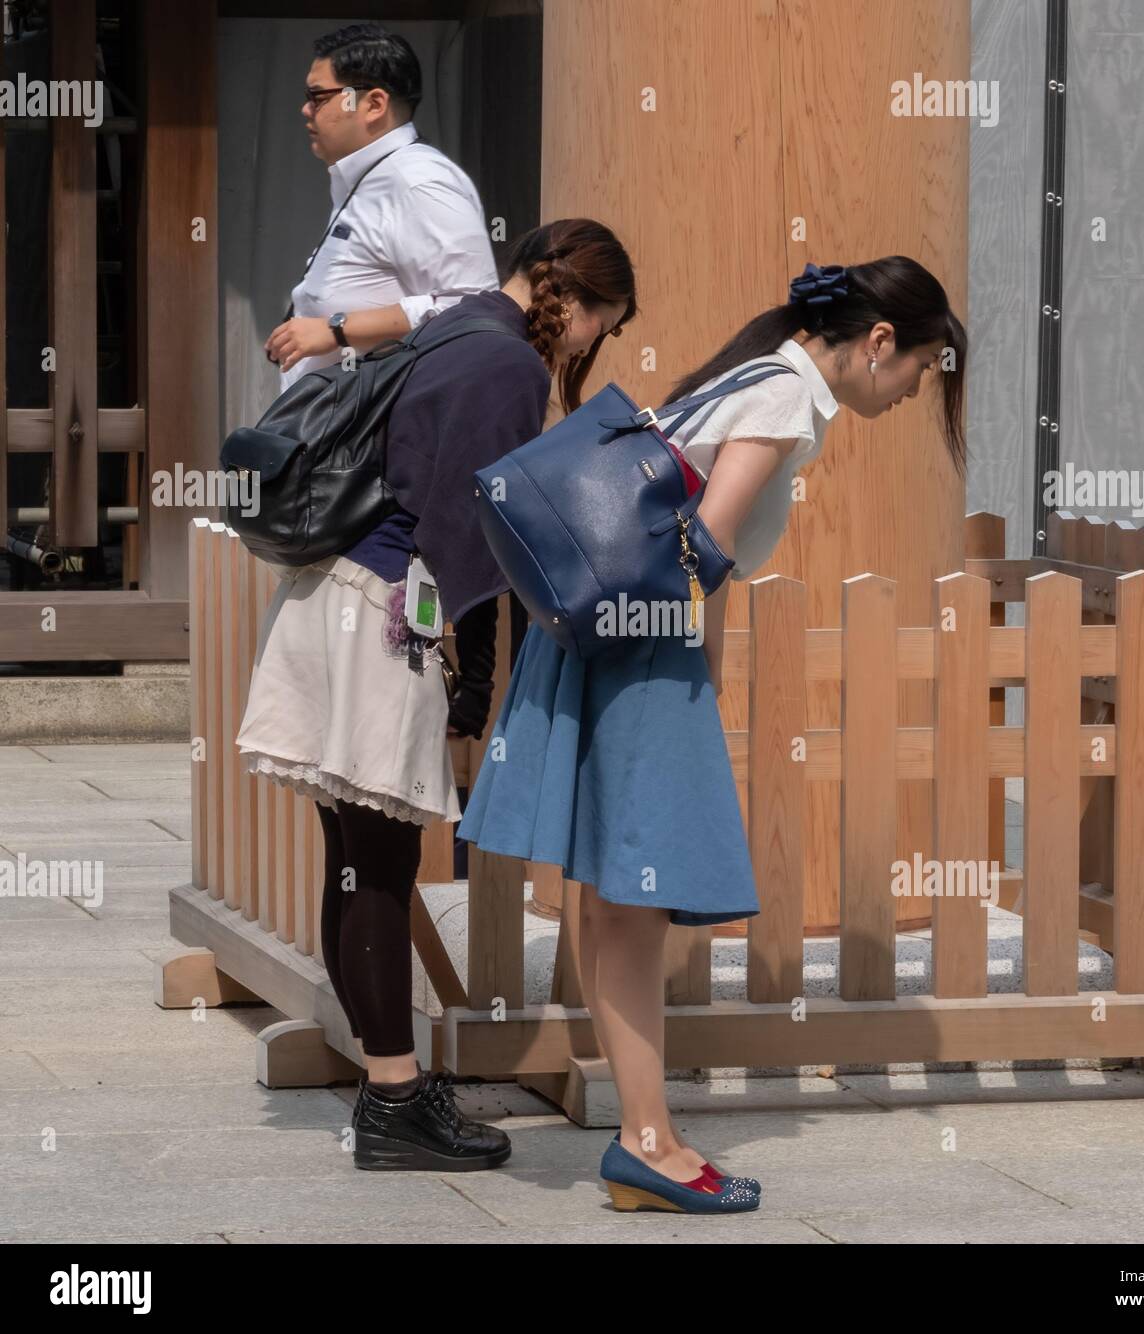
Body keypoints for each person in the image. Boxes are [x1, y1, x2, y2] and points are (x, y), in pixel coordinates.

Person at [456, 256, 967, 1213]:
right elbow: (696, 546)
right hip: (644, 655)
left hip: (592, 640)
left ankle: (643, 1133)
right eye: (921, 371)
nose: (909, 396)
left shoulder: (754, 368)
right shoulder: (784, 399)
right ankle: (647, 1141)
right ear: (880, 342)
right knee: (636, 903)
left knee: (615, 901)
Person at [235, 219, 637, 1170]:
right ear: (569, 301)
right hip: (386, 611)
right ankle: (392, 1101)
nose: (592, 344)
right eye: (601, 324)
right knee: (378, 865)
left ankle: (390, 1083)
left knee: (352, 857)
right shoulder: (507, 367)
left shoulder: (459, 325)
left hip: (333, 590)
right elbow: (475, 532)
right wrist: (477, 688)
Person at [265, 21, 499, 383]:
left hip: (376, 434)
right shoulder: (373, 176)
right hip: (335, 429)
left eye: (318, 97)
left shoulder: (418, 182)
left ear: (374, 104)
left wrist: (336, 329)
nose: (305, 110)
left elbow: (471, 309)